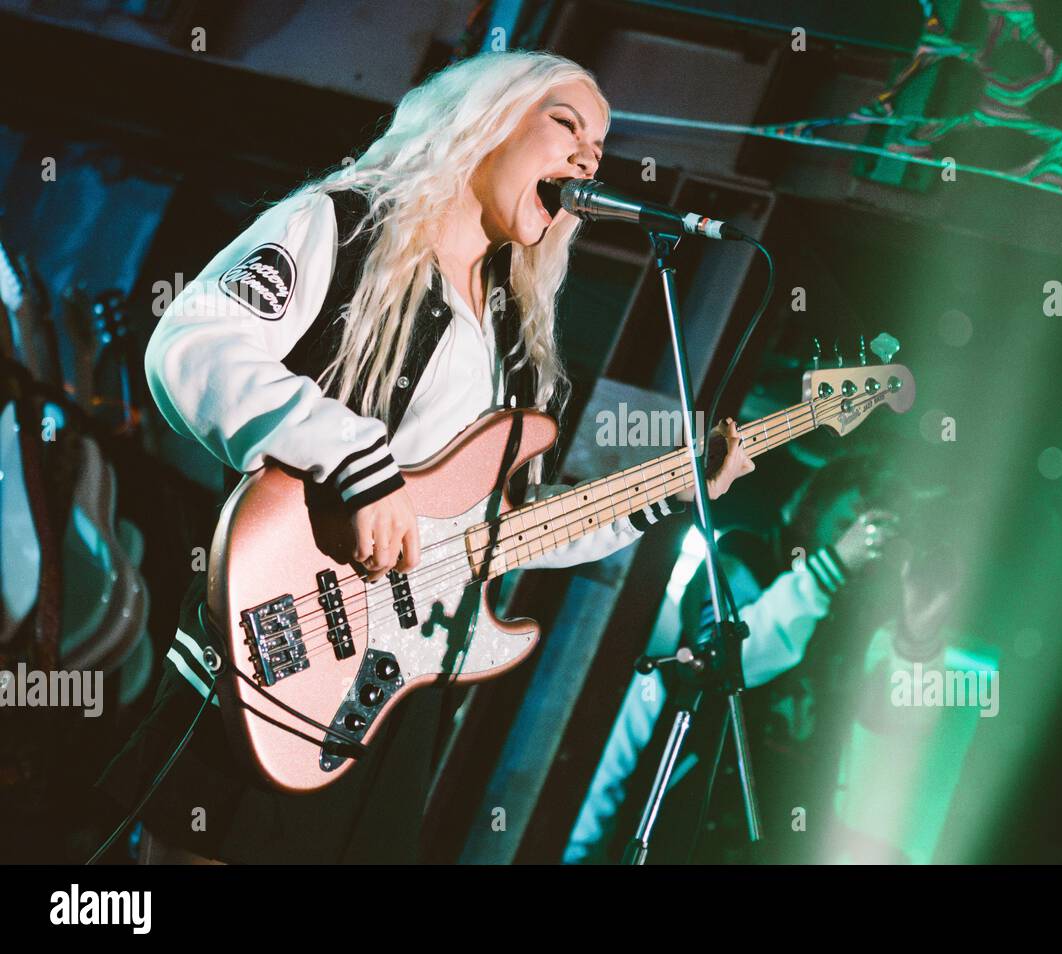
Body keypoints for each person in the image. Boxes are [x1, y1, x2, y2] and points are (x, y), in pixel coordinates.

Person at [90, 50, 753, 864]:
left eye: (602, 148)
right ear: (485, 121)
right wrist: (355, 464)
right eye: (566, 124)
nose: (589, 158)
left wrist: (672, 491)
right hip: (283, 641)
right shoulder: (342, 225)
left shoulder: (519, 345)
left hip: (395, 697)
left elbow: (507, 532)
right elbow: (192, 348)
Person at [564, 453, 960, 864]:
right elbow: (730, 664)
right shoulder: (742, 556)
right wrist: (832, 566)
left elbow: (897, 724)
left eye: (872, 536)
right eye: (847, 525)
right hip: (686, 833)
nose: (860, 543)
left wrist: (919, 635)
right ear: (810, 510)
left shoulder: (856, 613)